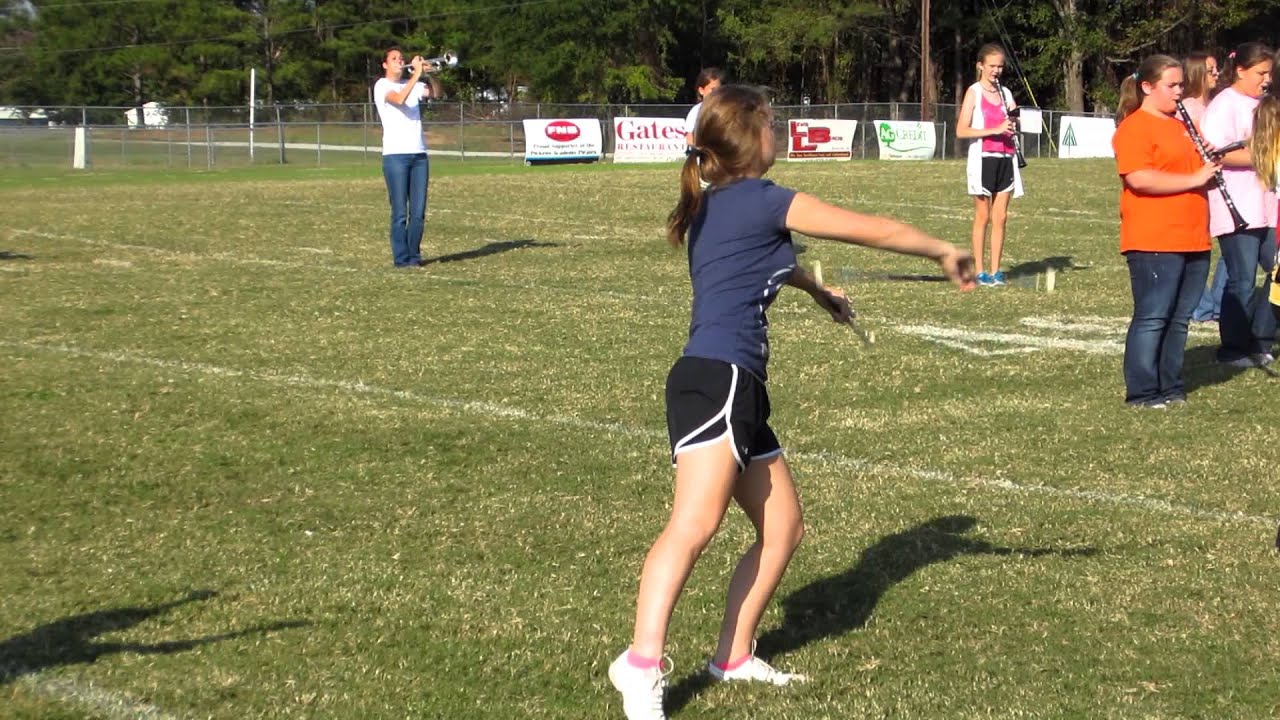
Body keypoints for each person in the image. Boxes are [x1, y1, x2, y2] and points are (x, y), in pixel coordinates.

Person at [607, 84, 975, 720]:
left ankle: (732, 655)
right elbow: (875, 230)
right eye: (772, 125)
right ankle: (639, 666)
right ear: (752, 138)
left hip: (735, 384)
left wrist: (815, 290)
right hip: (716, 382)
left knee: (783, 528)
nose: (779, 134)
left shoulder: (718, 203)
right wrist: (943, 249)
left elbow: (763, 261)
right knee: (693, 527)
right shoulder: (764, 199)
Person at [1112, 55, 1219, 408]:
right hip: (1155, 236)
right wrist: (1194, 178)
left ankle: (1171, 385)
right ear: (1147, 87)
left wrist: (1211, 165)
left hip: (1193, 235)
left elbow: (1199, 167)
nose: (1179, 92)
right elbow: (1139, 178)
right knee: (1153, 316)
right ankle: (1143, 392)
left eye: (1180, 86)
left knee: (1179, 319)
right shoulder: (1135, 127)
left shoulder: (1183, 124)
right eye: (1171, 86)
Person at [1201, 42, 1277, 367]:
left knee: (1276, 273)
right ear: (1241, 70)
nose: (1267, 79)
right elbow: (1216, 152)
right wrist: (1264, 157)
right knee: (1242, 281)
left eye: (1270, 73)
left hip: (1267, 207)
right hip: (1237, 209)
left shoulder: (1266, 105)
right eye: (1261, 73)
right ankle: (1233, 348)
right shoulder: (1224, 105)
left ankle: (1261, 338)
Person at [956, 43, 1024, 287]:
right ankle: (980, 270)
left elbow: (1016, 121)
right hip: (983, 159)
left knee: (1001, 216)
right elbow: (961, 130)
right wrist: (994, 130)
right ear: (980, 66)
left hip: (1007, 158)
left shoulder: (1006, 93)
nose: (996, 70)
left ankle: (996, 271)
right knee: (982, 215)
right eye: (992, 66)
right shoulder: (973, 92)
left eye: (1000, 66)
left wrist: (1016, 123)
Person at [373, 46, 443, 268]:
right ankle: (401, 259)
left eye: (401, 58)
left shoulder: (413, 83)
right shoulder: (382, 86)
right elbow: (400, 99)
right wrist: (416, 74)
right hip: (395, 156)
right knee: (400, 212)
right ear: (385, 65)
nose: (399, 61)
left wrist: (431, 74)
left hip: (419, 154)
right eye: (394, 59)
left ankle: (414, 256)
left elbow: (436, 94)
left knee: (418, 212)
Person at [1182, 51, 1228, 323]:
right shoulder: (1189, 107)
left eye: (1217, 69)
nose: (1217, 74)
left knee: (1232, 249)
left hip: (1219, 183)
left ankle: (1220, 303)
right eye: (1211, 70)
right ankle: (1203, 305)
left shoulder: (1215, 104)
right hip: (1200, 184)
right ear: (1198, 73)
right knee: (1197, 250)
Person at [683, 68, 724, 148]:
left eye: (719, 89)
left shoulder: (724, 109)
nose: (716, 93)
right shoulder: (696, 111)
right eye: (712, 89)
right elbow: (689, 137)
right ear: (701, 90)